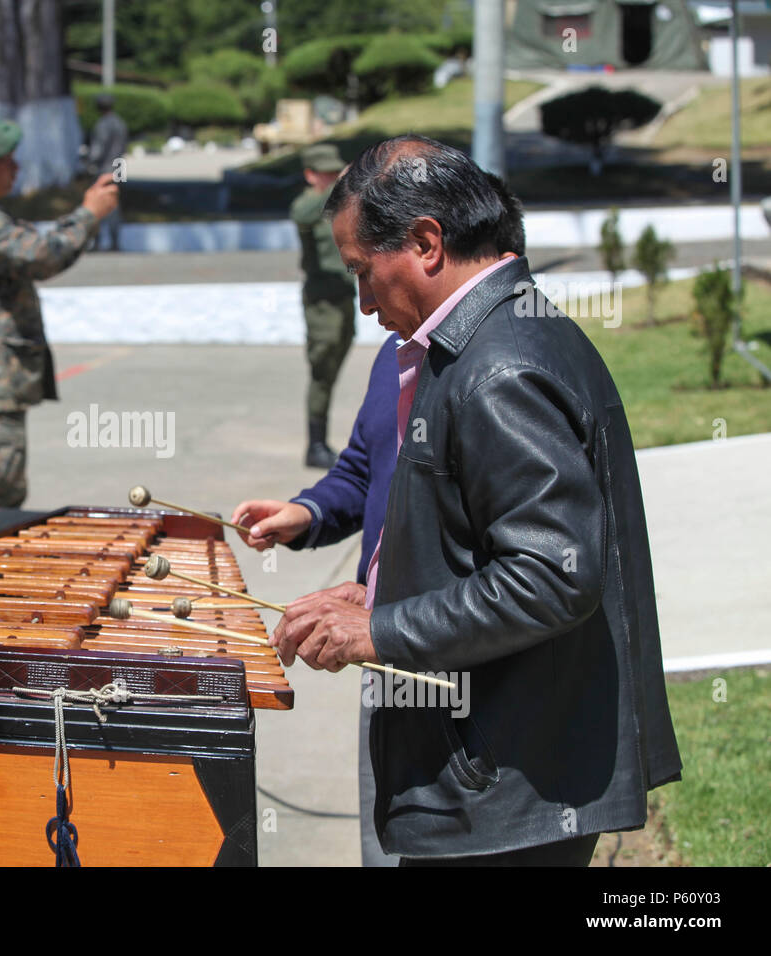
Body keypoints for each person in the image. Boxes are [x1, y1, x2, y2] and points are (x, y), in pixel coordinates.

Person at [272, 134, 682, 865]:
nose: (364, 304)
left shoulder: (500, 365)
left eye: (365, 274)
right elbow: (477, 539)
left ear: (426, 242)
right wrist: (377, 594)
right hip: (501, 762)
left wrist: (380, 632)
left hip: (510, 777)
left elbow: (551, 576)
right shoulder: (485, 337)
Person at [0, 114, 118, 535]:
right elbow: (42, 255)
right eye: (8, 161)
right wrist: (89, 215)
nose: (16, 169)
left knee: (2, 491)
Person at [290, 143, 357, 469]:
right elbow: (300, 215)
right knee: (322, 367)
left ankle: (321, 441)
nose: (332, 178)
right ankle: (315, 445)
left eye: (336, 171)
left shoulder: (339, 204)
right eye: (326, 173)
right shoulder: (309, 204)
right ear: (310, 175)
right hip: (321, 300)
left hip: (344, 295)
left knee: (334, 366)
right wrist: (335, 187)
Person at [87, 93, 128, 251]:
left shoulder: (103, 125)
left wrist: (88, 163)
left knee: (100, 204)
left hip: (105, 168)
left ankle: (98, 242)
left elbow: (98, 150)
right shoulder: (121, 123)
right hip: (119, 166)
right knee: (115, 203)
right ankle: (115, 240)